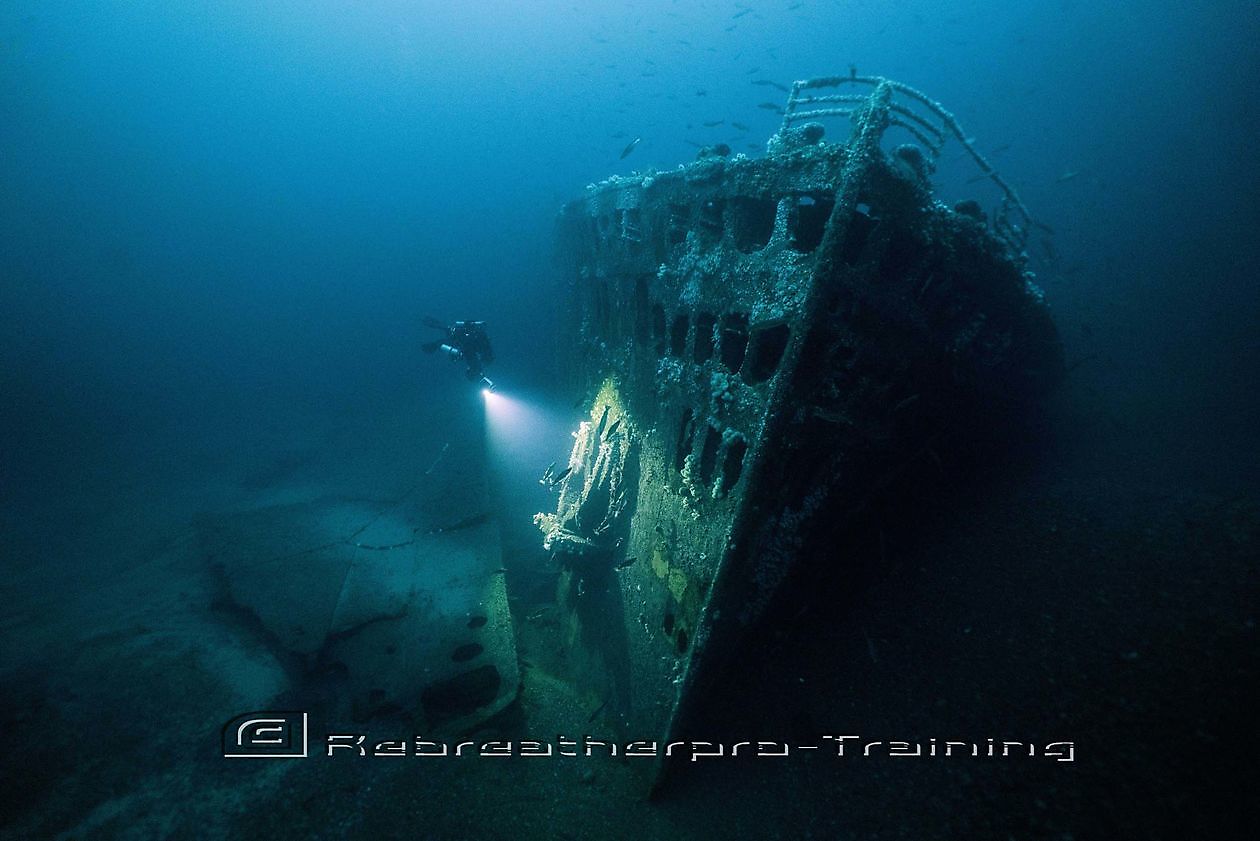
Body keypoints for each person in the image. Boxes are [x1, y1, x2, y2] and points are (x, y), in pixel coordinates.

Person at [422, 318, 495, 390]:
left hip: (460, 336)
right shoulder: (478, 346)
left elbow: (468, 360)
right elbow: (466, 356)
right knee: (444, 335)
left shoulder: (479, 344)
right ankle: (429, 326)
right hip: (459, 337)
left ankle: (429, 325)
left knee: (445, 330)